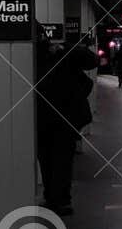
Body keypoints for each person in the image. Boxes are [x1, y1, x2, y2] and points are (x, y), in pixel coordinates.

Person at [35, 30, 92, 215]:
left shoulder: (56, 56)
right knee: (58, 159)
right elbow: (90, 66)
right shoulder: (59, 57)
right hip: (58, 118)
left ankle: (57, 199)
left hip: (50, 118)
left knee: (51, 158)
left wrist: (64, 48)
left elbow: (92, 60)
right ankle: (58, 199)